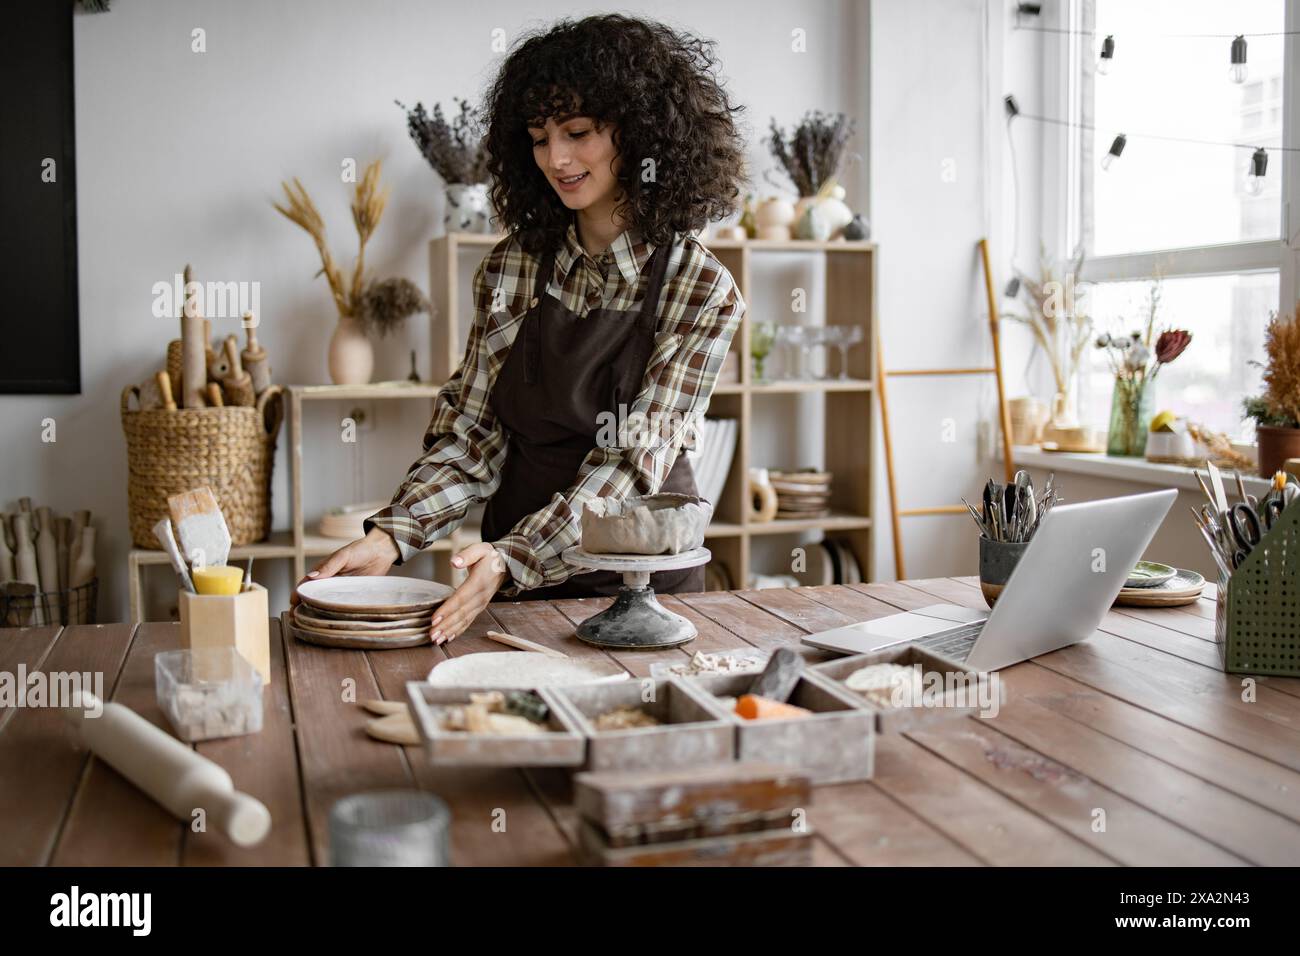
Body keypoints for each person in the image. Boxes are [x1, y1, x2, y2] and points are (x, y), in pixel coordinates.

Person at [298, 13, 747, 645]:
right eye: (539, 137)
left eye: (578, 132)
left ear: (642, 133)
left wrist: (517, 555)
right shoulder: (511, 268)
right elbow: (473, 434)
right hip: (507, 579)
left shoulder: (700, 289)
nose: (556, 158)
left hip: (640, 588)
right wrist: (391, 536)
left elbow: (632, 463)